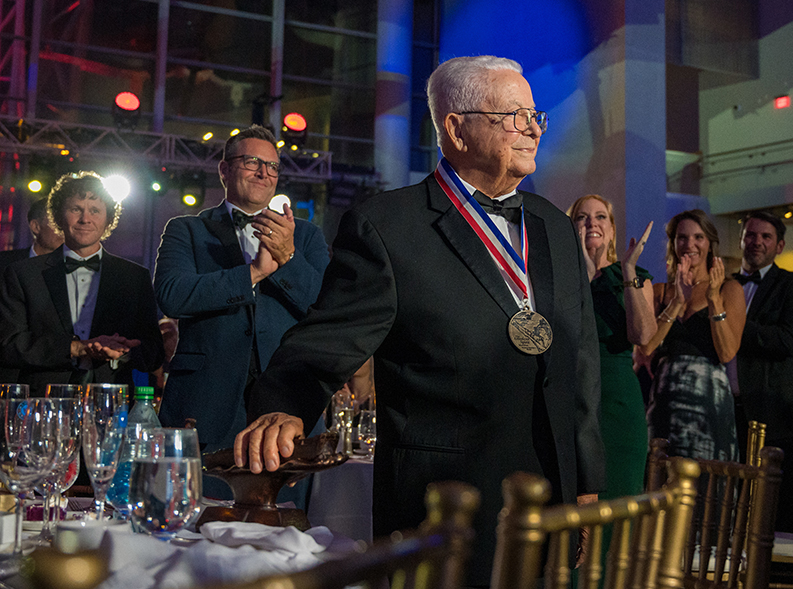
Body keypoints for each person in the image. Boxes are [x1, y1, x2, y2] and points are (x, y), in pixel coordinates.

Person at [234, 55, 605, 586]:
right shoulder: (388, 226)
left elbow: (581, 360)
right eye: (513, 115)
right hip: (444, 501)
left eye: (535, 115)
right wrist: (283, 407)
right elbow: (328, 336)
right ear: (455, 128)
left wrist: (585, 481)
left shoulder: (553, 225)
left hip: (550, 494)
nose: (531, 129)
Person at [154, 125, 330, 463]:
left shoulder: (305, 236)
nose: (264, 173)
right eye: (252, 162)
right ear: (224, 170)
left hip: (288, 408)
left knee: (288, 515)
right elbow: (172, 295)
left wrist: (288, 257)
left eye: (273, 166)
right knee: (200, 513)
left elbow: (325, 306)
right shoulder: (186, 230)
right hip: (205, 407)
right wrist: (254, 273)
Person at [0, 172, 164, 393]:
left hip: (112, 402)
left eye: (95, 211)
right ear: (58, 216)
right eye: (76, 209)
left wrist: (124, 352)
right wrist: (75, 348)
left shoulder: (134, 277)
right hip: (44, 403)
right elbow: (8, 345)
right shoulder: (23, 274)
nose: (85, 219)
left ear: (108, 220)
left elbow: (152, 354)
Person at [727, 210, 793, 532]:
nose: (756, 242)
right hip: (730, 410)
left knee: (778, 508)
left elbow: (790, 341)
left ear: (779, 246)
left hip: (778, 413)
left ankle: (784, 578)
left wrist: (731, 324)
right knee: (735, 505)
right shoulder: (724, 285)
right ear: (740, 240)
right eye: (750, 235)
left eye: (766, 237)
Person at [637, 209, 744, 461]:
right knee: (661, 481)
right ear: (673, 244)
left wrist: (714, 300)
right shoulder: (660, 291)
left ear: (709, 244)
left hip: (709, 400)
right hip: (666, 399)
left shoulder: (730, 288)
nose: (689, 244)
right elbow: (647, 348)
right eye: (682, 238)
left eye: (698, 237)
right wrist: (676, 302)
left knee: (706, 487)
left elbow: (727, 352)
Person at [568, 194, 656, 501]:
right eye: (582, 216)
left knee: (619, 503)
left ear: (613, 228)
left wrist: (629, 271)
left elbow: (643, 335)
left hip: (619, 400)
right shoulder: (562, 277)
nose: (592, 222)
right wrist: (583, 276)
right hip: (573, 396)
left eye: (600, 216)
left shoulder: (633, 276)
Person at [0, 196, 64, 272]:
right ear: (35, 226)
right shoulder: (4, 263)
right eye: (57, 223)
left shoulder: (76, 268)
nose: (64, 230)